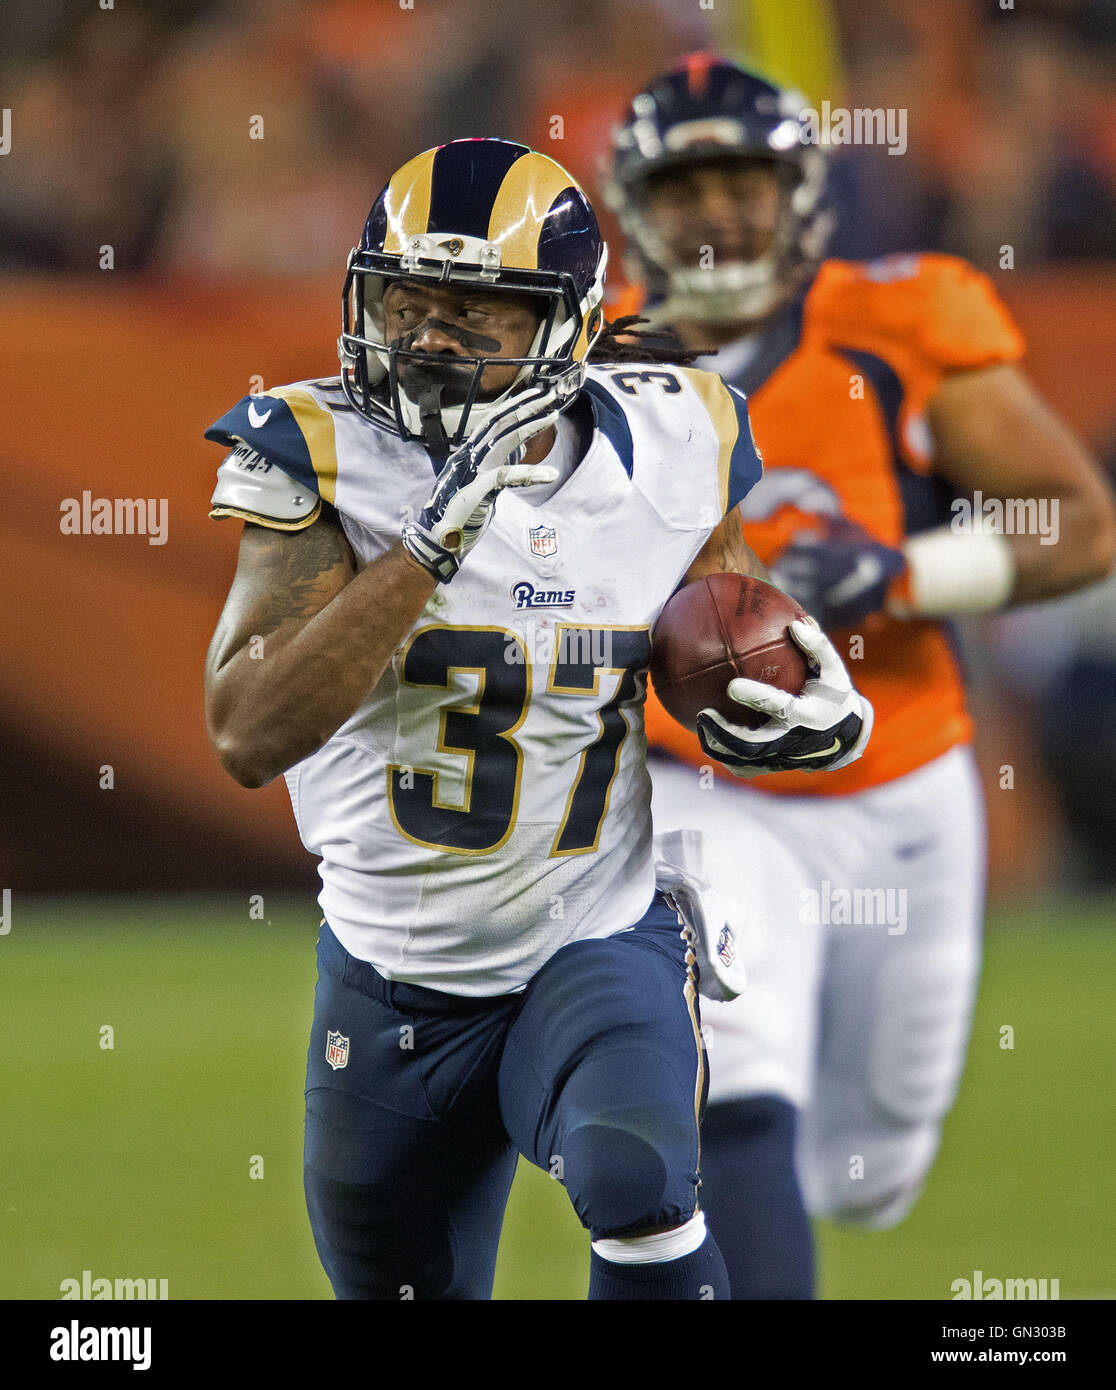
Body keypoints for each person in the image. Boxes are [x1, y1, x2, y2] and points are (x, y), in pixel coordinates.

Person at [202, 137, 872, 1300]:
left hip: (592, 932)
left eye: (480, 311)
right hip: (389, 967)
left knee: (637, 1177)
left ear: (563, 327)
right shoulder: (322, 454)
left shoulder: (672, 438)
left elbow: (724, 627)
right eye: (409, 300)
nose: (430, 339)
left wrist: (809, 707)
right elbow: (250, 732)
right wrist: (428, 544)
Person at [604, 54, 1116, 1299]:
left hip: (900, 784)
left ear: (802, 197)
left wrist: (897, 571)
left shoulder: (899, 319)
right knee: (733, 1072)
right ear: (633, 208)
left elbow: (1080, 523)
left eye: (744, 181)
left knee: (871, 1168)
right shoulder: (591, 362)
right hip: (704, 784)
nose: (717, 214)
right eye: (685, 187)